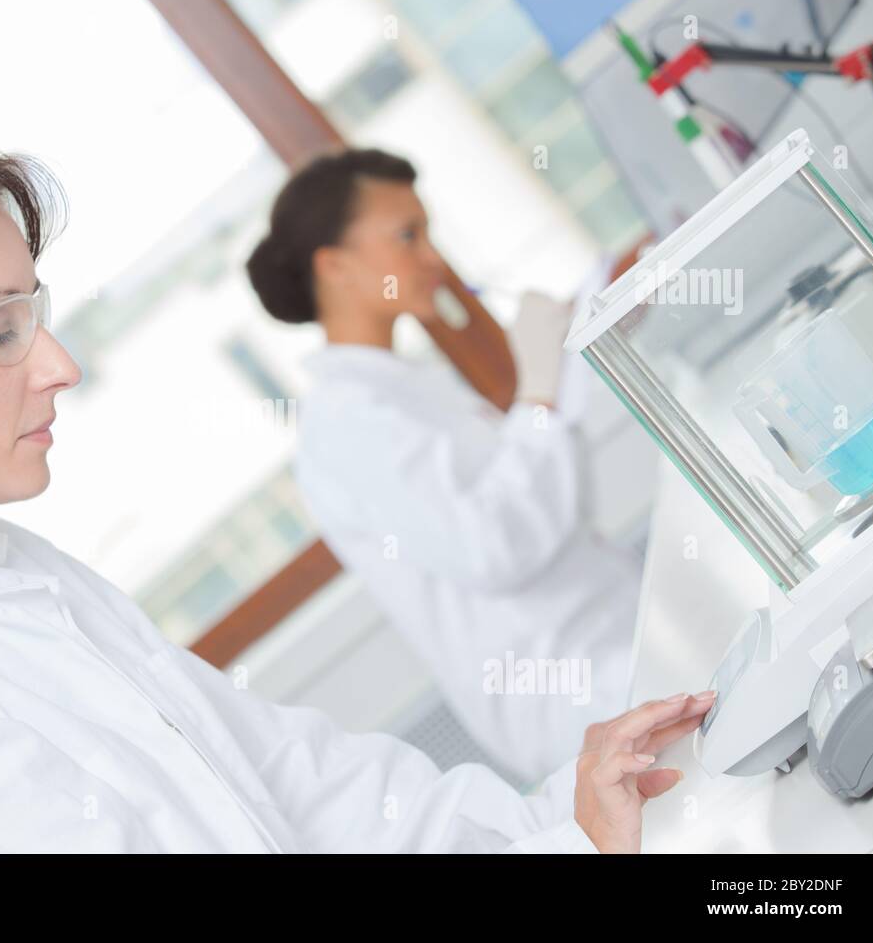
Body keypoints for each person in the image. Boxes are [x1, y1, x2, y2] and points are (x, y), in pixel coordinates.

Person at [0, 128, 709, 853]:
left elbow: (292, 775)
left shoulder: (10, 574)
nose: (59, 365)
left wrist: (556, 829)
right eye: (1, 330)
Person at [246, 148, 644, 783]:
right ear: (337, 266)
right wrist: (538, 393)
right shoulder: (349, 423)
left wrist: (561, 372)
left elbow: (540, 506)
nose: (434, 257)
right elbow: (493, 547)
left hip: (617, 653)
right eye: (408, 236)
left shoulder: (406, 387)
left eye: (428, 232)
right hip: (582, 701)